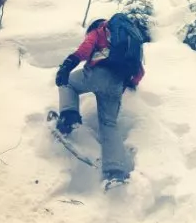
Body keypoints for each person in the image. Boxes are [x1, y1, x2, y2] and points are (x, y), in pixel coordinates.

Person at [55, 16, 145, 188]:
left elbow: (85, 49)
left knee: (68, 83)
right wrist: (130, 84)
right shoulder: (127, 43)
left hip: (98, 74)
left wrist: (67, 65)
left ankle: (69, 118)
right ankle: (116, 172)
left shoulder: (99, 32)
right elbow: (139, 73)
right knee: (109, 124)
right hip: (117, 84)